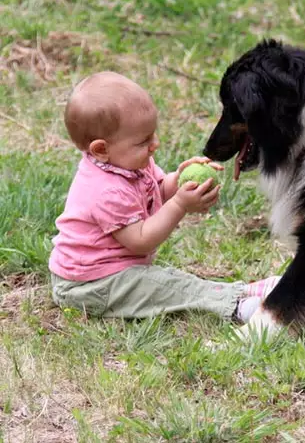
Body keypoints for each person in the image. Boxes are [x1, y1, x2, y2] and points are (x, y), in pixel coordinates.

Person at [48, 71, 279, 323]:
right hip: (88, 285)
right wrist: (180, 204)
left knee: (164, 281)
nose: (154, 144)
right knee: (163, 285)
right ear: (101, 149)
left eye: (153, 134)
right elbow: (140, 240)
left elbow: (155, 189)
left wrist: (179, 179)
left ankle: (243, 291)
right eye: (143, 140)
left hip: (115, 273)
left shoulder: (129, 163)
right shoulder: (105, 190)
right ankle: (238, 306)